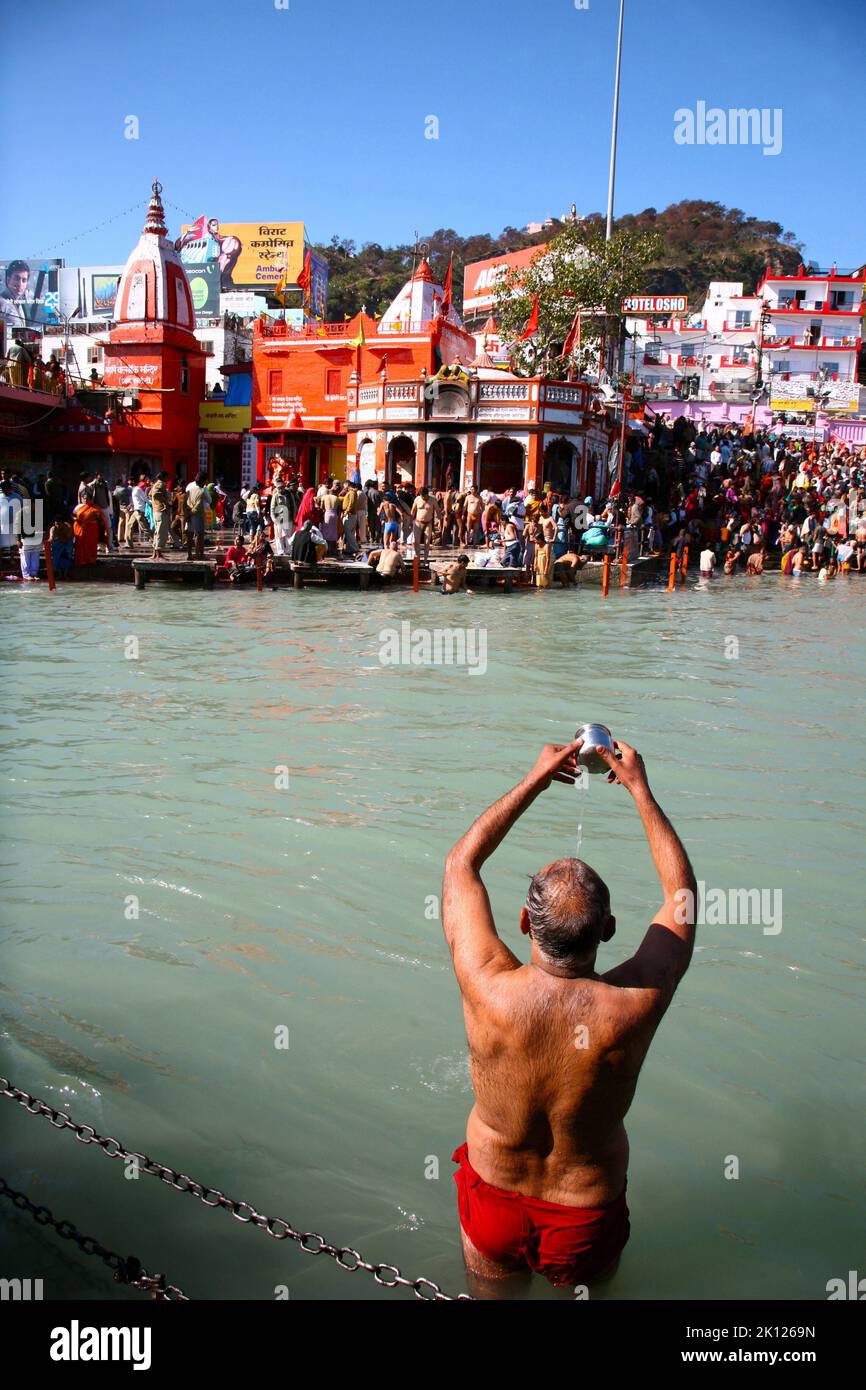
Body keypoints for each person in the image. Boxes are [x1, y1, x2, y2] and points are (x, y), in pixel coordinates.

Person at [443, 736, 696, 1294]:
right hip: (585, 1213)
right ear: (607, 932)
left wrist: (535, 777)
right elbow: (682, 898)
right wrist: (641, 791)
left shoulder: (486, 986)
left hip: (493, 1197)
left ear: (525, 924)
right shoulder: (636, 1003)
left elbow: (461, 864)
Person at [73, 497, 110, 565]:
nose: (85, 500)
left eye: (87, 498)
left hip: (92, 530)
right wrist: (78, 520)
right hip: (81, 530)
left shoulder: (96, 508)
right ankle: (81, 561)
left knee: (91, 545)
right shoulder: (79, 507)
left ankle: (91, 560)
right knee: (81, 545)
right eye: (84, 498)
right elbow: (73, 516)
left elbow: (101, 520)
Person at [185, 472, 208, 560]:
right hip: (197, 515)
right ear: (203, 481)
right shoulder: (201, 491)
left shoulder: (189, 489)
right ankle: (199, 555)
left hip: (188, 514)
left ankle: (189, 555)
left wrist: (187, 514)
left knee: (190, 535)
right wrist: (191, 513)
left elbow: (185, 502)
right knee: (199, 535)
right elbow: (198, 506)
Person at [149, 472, 171, 559]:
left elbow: (150, 494)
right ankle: (158, 553)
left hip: (156, 510)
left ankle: (155, 553)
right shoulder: (161, 484)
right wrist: (165, 502)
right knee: (161, 532)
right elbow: (156, 494)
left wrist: (155, 503)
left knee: (157, 532)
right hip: (161, 511)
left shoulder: (155, 484)